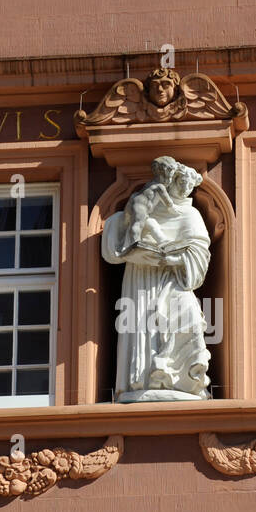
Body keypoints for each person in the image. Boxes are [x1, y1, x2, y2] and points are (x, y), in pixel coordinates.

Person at [101, 157, 212, 401]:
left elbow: (200, 252)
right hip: (143, 277)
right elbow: (120, 235)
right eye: (181, 181)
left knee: (190, 318)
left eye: (189, 185)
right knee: (142, 322)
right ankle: (143, 379)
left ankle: (185, 382)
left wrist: (173, 260)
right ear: (171, 180)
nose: (184, 188)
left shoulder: (192, 215)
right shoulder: (147, 201)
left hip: (176, 278)